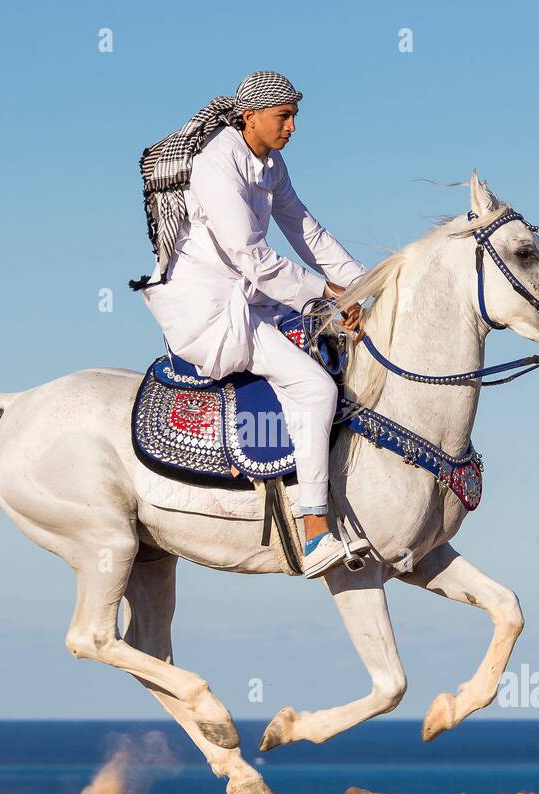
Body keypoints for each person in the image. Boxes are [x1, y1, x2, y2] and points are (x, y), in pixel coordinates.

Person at [130, 70, 371, 578]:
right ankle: (313, 530)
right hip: (214, 310)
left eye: (294, 117)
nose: (292, 127)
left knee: (340, 351)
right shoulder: (217, 166)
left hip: (254, 296)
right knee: (314, 388)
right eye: (284, 117)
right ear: (251, 117)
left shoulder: (271, 162)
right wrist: (325, 292)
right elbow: (252, 258)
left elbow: (305, 227)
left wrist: (362, 283)